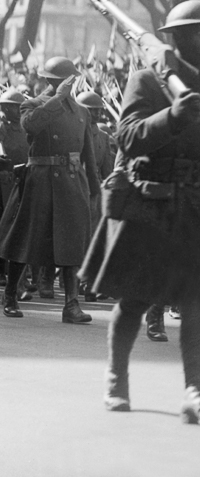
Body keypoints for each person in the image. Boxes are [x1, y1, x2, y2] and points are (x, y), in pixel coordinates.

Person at [81, 1, 200, 425]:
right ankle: (116, 378)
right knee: (135, 299)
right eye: (199, 32)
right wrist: (171, 118)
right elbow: (127, 138)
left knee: (197, 304)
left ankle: (196, 392)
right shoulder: (147, 81)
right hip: (151, 203)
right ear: (175, 38)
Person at [0, 57, 100, 323]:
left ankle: (72, 305)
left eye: (68, 80)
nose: (65, 84)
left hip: (71, 181)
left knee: (71, 244)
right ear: (47, 80)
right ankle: (10, 295)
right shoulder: (32, 104)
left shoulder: (81, 112)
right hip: (40, 180)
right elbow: (30, 126)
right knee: (25, 240)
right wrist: (57, 98)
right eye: (59, 80)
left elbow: (88, 155)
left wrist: (94, 189)